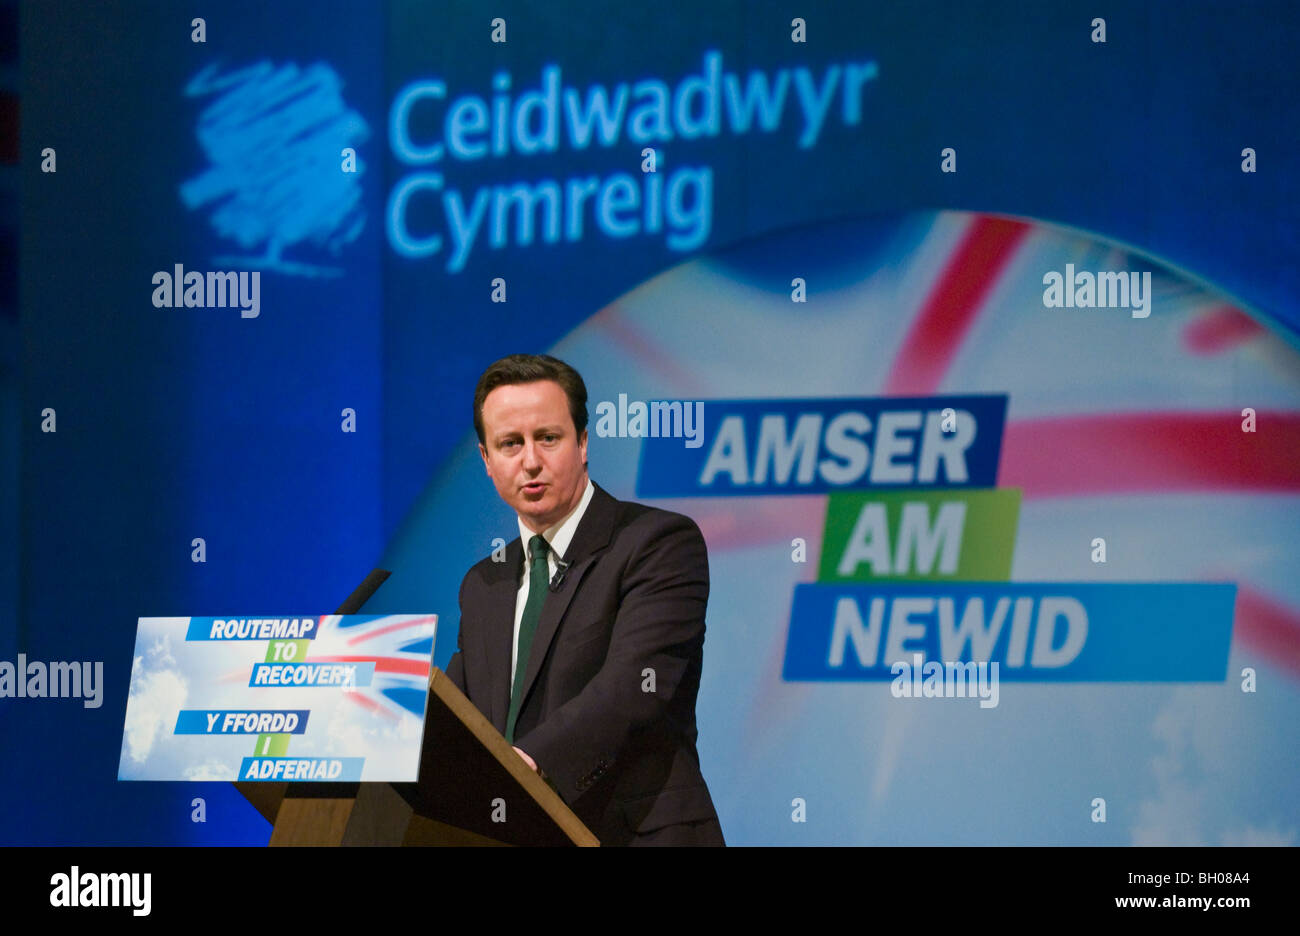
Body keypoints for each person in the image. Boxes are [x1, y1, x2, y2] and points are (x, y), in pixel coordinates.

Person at [443, 353, 724, 846]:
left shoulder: (657, 543)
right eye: (510, 443)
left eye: (548, 438)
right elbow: (460, 716)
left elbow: (633, 688)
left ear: (583, 442)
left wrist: (524, 765)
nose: (531, 461)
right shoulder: (484, 583)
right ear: (486, 460)